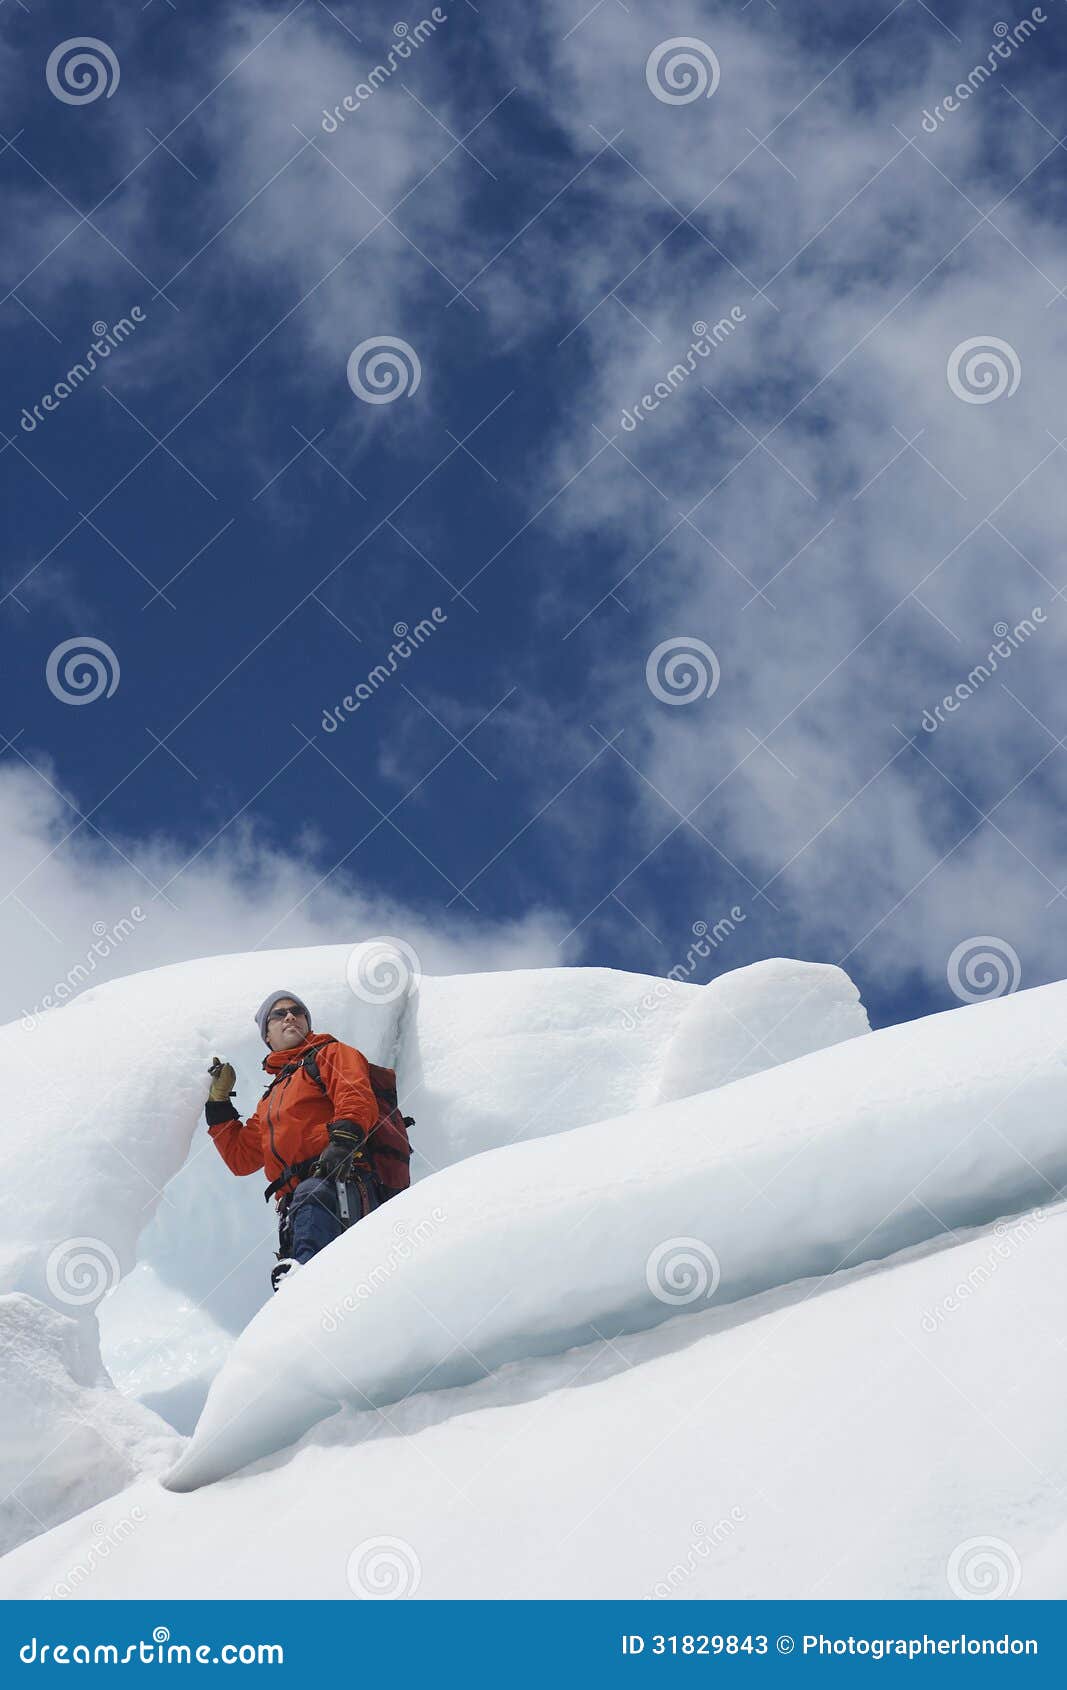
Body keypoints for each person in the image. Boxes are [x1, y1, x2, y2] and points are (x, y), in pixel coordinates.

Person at [205, 991, 382, 1291]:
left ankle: (303, 1283)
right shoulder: (271, 1098)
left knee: (308, 1268)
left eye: (297, 1011)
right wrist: (219, 1103)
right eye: (279, 1014)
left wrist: (342, 1142)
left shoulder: (331, 1053)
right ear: (267, 1036)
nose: (290, 1016)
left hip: (339, 1181)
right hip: (298, 1209)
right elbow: (242, 1157)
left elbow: (355, 1095)